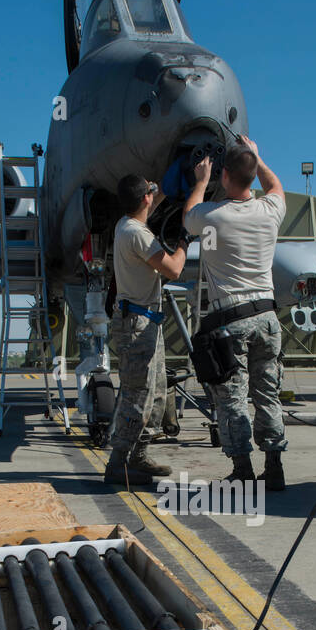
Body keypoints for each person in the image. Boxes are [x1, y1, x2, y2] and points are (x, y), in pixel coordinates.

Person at [182, 137, 287, 489]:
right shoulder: (270, 210)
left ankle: (242, 468)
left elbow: (187, 216)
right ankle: (274, 465)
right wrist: (257, 157)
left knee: (233, 397)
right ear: (253, 176)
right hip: (268, 318)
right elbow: (275, 186)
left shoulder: (211, 216)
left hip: (233, 320)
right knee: (266, 393)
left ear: (224, 175)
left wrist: (200, 180)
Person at [105, 174, 189, 485]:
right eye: (149, 190)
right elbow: (174, 269)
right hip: (137, 326)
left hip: (146, 321)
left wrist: (162, 189)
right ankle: (118, 462)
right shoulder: (138, 234)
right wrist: (184, 241)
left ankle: (137, 456)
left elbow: (147, 206)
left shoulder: (126, 224)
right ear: (145, 200)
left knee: (155, 393)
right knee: (137, 395)